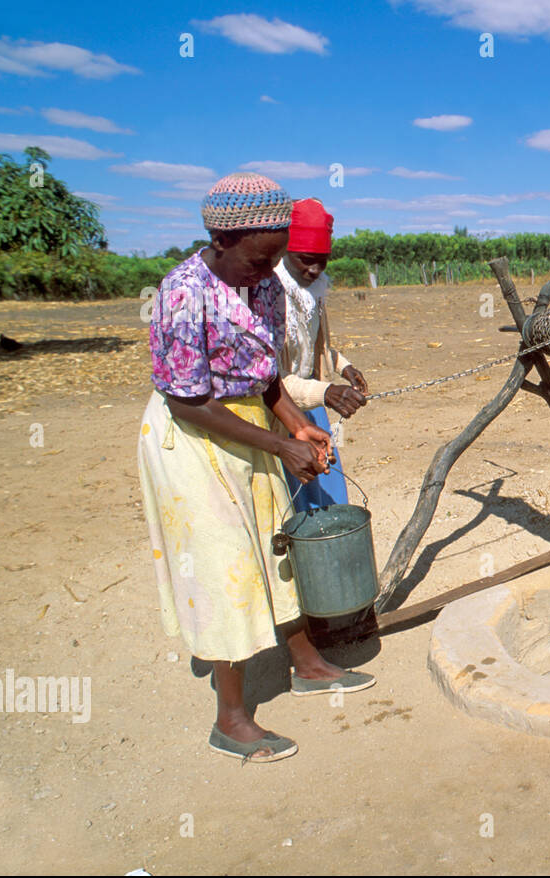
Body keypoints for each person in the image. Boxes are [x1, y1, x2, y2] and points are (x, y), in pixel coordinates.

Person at [137, 172, 375, 764]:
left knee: (278, 546)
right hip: (194, 438)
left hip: (250, 425)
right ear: (221, 237)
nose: (267, 272)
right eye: (260, 258)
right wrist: (279, 446)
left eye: (275, 261)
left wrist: (297, 425)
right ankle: (231, 718)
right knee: (226, 564)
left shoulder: (264, 286)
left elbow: (266, 377)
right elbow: (189, 401)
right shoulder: (181, 294)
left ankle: (308, 666)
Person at [275, 198, 369, 511]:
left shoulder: (314, 290)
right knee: (294, 499)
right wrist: (326, 392)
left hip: (312, 404)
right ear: (285, 251)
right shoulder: (269, 296)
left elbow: (314, 347)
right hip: (280, 410)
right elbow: (269, 379)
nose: (314, 269)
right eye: (305, 259)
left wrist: (344, 367)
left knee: (329, 492)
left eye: (322, 260)